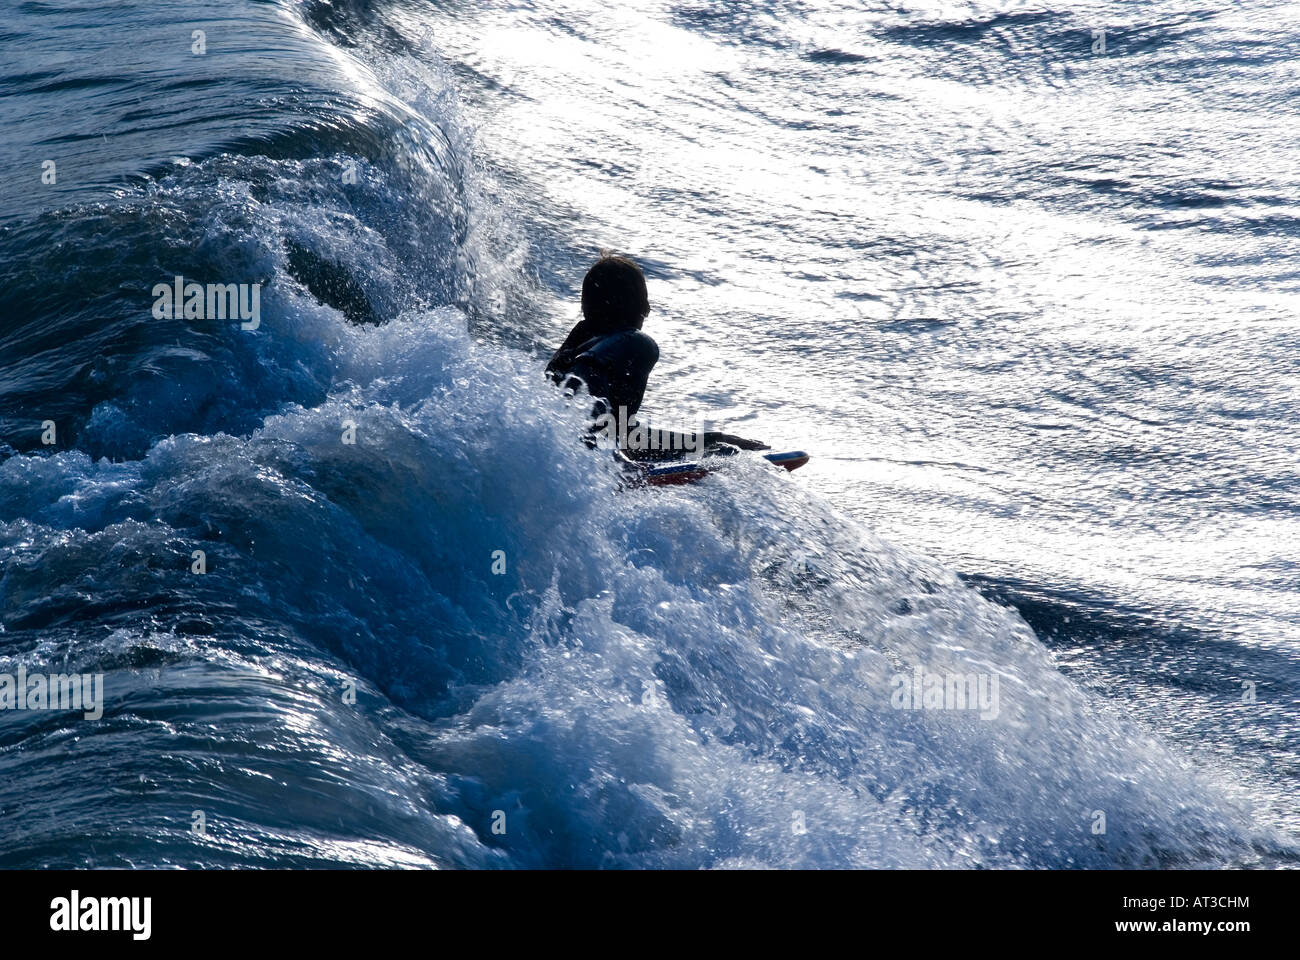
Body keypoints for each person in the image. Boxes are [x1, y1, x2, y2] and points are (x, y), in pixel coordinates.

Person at [546, 255, 767, 460]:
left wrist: (708, 441)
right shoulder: (637, 342)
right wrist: (611, 459)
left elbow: (619, 431)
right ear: (641, 306)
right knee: (719, 447)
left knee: (717, 444)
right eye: (645, 299)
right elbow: (586, 370)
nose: (649, 308)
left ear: (586, 305)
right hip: (602, 451)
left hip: (569, 448)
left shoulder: (577, 339)